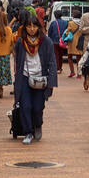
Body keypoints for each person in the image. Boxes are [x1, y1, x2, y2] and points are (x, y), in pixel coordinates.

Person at [13, 11, 58, 144]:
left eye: (34, 26)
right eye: (29, 26)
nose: (32, 29)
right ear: (25, 27)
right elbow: (17, 62)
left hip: (41, 79)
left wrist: (51, 82)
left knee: (38, 107)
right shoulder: (21, 42)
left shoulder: (46, 42)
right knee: (25, 106)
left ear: (39, 27)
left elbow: (52, 62)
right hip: (25, 78)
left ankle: (38, 125)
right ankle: (28, 132)